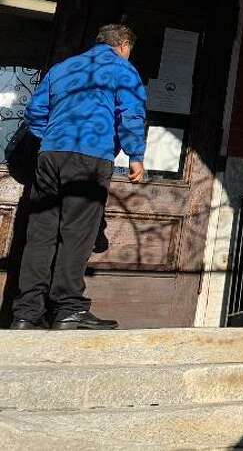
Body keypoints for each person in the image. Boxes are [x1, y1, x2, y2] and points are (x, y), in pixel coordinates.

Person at [11, 24, 147, 330]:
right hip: (89, 155)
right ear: (123, 45)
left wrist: (54, 137)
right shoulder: (122, 69)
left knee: (41, 234)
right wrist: (135, 154)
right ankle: (68, 308)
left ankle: (26, 313)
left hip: (50, 155)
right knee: (78, 233)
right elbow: (131, 113)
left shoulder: (63, 68)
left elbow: (34, 112)